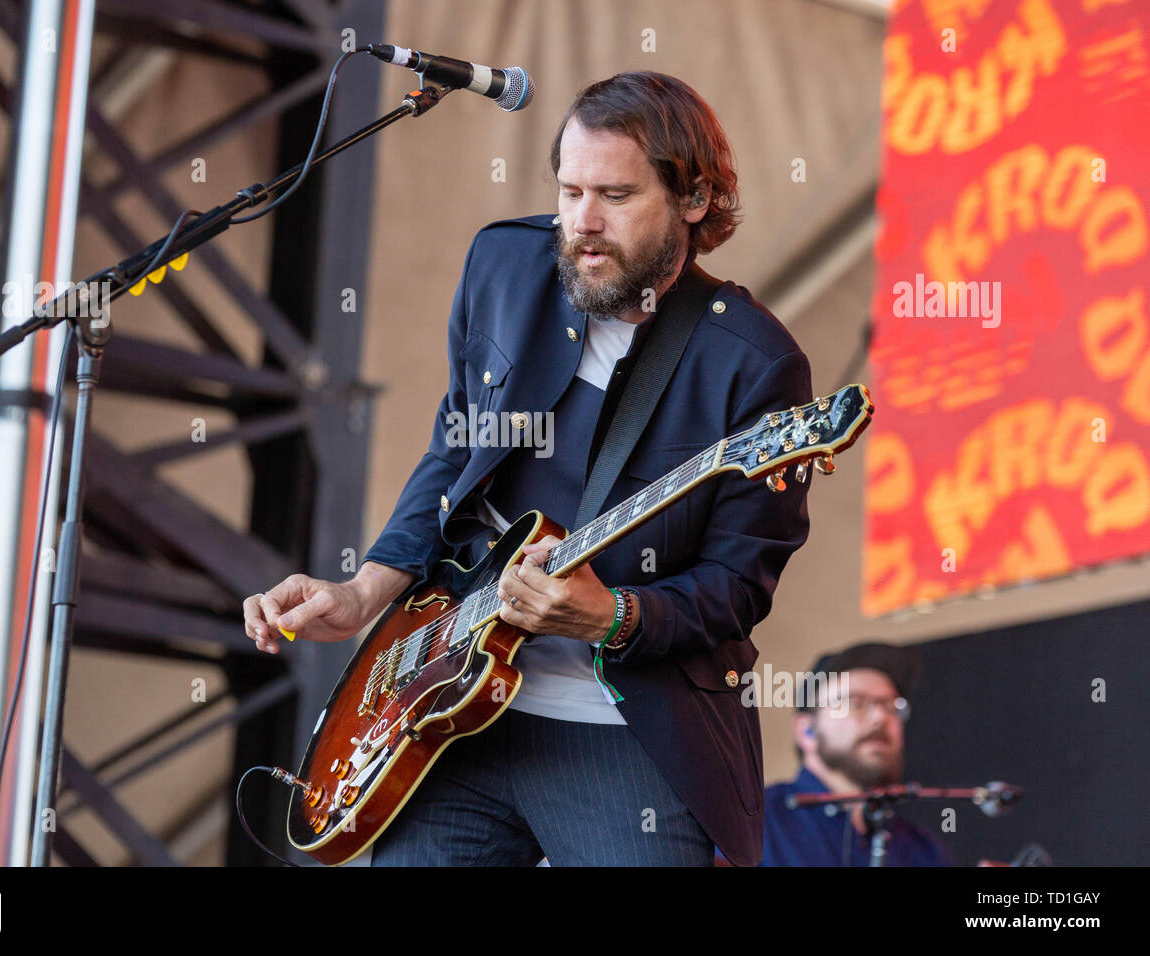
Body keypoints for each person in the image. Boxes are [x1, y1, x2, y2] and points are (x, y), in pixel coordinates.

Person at [243, 71, 814, 866]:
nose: (582, 223)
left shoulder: (754, 365)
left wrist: (612, 616)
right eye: (569, 191)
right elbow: (456, 445)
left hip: (620, 735)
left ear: (695, 200)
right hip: (446, 710)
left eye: (615, 195)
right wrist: (364, 589)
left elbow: (737, 585)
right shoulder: (505, 266)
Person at [759, 641, 954, 866]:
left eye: (892, 707)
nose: (880, 717)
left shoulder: (923, 849)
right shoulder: (754, 824)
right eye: (857, 703)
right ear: (807, 730)